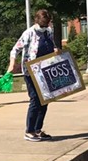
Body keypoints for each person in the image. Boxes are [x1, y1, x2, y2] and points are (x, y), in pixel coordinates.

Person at [7, 9, 60, 141]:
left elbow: (51, 45)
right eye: (43, 24)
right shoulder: (29, 33)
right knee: (35, 99)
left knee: (45, 100)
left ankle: (38, 129)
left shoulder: (48, 32)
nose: (45, 27)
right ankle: (29, 130)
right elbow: (15, 49)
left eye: (47, 24)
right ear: (37, 22)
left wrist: (56, 50)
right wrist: (12, 63)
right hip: (31, 71)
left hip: (45, 69)